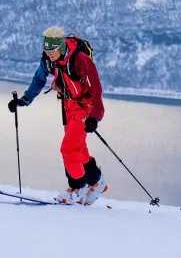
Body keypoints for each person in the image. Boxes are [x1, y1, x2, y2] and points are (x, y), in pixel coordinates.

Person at [7, 27, 107, 204]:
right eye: (46, 50)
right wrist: (24, 100)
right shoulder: (48, 60)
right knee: (79, 148)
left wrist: (95, 116)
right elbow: (39, 79)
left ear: (60, 47)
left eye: (52, 50)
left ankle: (77, 188)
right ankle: (96, 181)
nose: (49, 54)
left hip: (85, 107)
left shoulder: (80, 59)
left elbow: (95, 89)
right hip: (68, 105)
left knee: (69, 148)